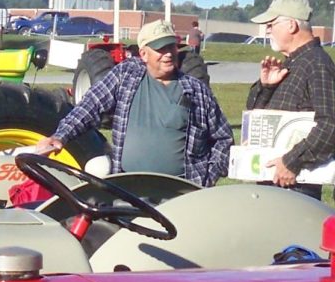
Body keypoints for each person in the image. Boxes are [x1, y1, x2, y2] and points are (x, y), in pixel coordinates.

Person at [35, 20, 231, 186]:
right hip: (129, 188)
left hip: (182, 193)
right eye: (160, 49)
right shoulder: (127, 75)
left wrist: (206, 177)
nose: (169, 53)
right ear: (144, 54)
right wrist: (61, 136)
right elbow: (90, 105)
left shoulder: (196, 90)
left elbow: (223, 139)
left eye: (171, 46)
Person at [245, 0, 335, 198]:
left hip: (295, 185)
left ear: (291, 25)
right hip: (272, 182)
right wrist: (266, 87)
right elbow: (253, 116)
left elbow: (333, 124)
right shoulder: (290, 63)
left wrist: (292, 162)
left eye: (271, 25)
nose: (267, 31)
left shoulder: (317, 64)